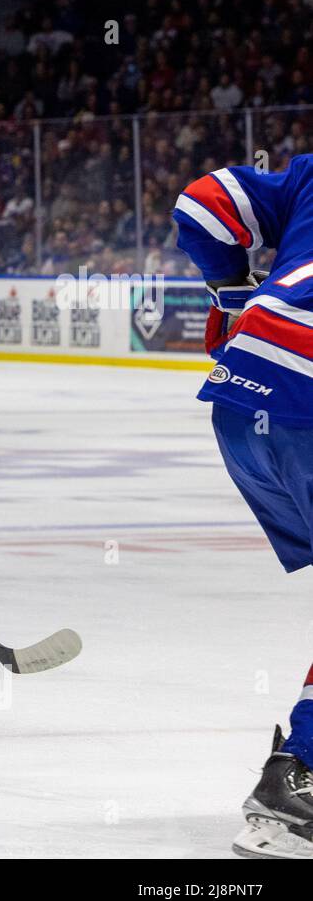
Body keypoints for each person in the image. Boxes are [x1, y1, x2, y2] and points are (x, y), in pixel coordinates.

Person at [173, 156, 313, 858]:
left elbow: (200, 206)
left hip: (243, 397)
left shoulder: (308, 172)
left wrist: (232, 292)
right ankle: (302, 778)